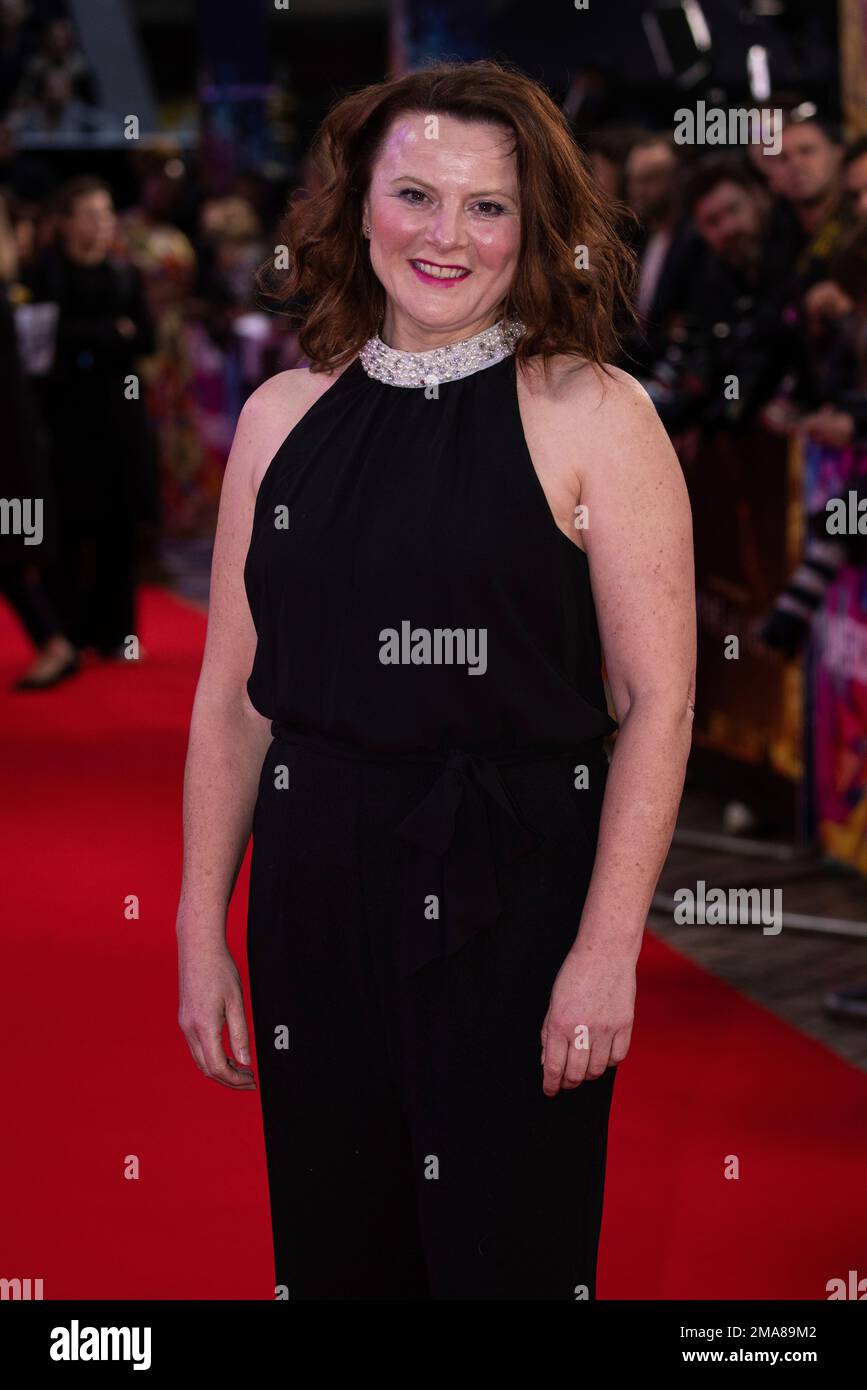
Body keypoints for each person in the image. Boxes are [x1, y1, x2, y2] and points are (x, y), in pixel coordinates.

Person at [176, 59, 695, 1301]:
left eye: (487, 207)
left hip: (515, 897)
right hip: (314, 892)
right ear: (357, 207)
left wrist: (607, 947)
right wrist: (202, 923)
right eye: (415, 194)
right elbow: (235, 699)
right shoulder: (281, 418)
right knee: (338, 1246)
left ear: (535, 229)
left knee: (503, 1258)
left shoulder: (595, 414)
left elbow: (659, 701)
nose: (445, 236)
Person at [27, 175, 155, 658]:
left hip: (118, 416)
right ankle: (67, 633)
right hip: (63, 417)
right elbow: (44, 346)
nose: (102, 224)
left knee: (117, 525)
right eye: (91, 214)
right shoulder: (45, 274)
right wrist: (108, 334)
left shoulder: (124, 275)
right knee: (68, 522)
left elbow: (145, 339)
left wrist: (92, 337)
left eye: (106, 213)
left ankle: (116, 631)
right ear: (65, 223)